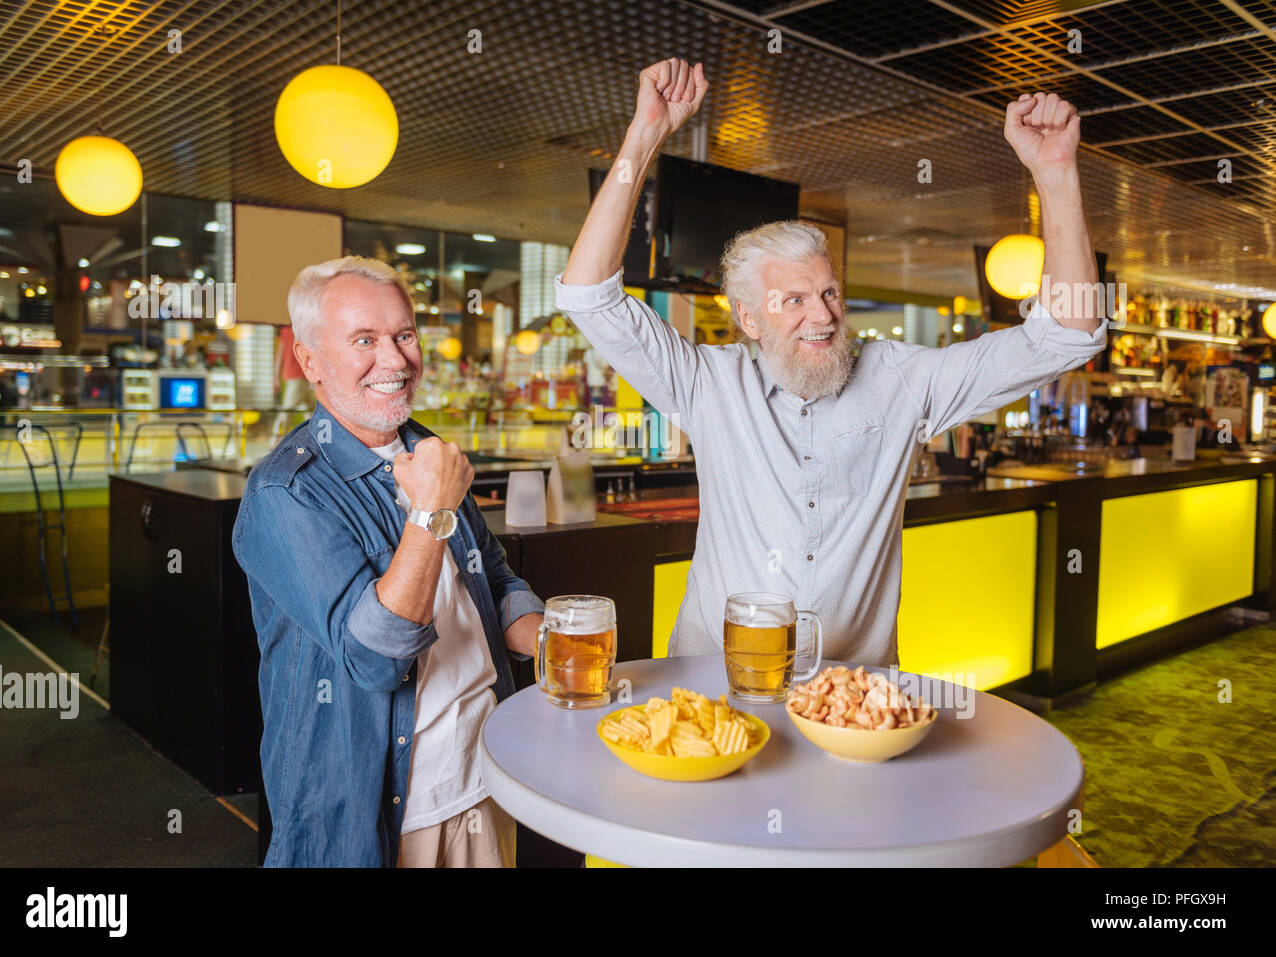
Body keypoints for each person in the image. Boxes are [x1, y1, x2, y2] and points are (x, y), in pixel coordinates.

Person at [555, 58, 1108, 664]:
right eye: (792, 300)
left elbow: (1067, 335)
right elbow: (589, 296)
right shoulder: (707, 385)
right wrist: (644, 135)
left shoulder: (903, 379)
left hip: (854, 699)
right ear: (748, 318)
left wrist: (1055, 176)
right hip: (716, 682)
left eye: (828, 293)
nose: (821, 316)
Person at [232, 256, 544, 867]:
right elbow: (375, 658)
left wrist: (558, 637)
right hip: (376, 812)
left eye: (404, 335)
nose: (397, 361)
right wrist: (429, 510)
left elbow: (493, 583)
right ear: (310, 361)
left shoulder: (426, 452)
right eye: (365, 341)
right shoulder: (284, 492)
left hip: (484, 780)